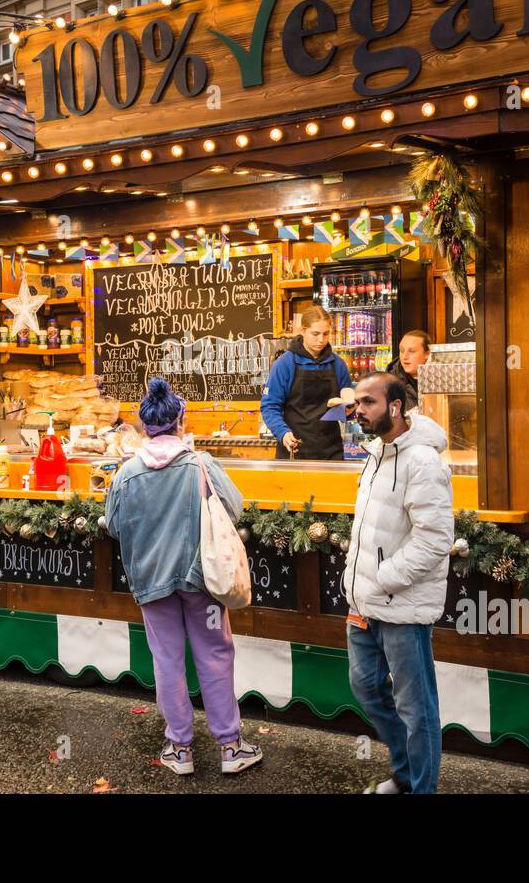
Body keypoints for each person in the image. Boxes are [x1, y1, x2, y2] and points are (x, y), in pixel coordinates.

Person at [105, 377, 263, 776]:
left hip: (151, 582)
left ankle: (180, 747)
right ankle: (230, 747)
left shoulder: (125, 473)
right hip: (200, 580)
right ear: (180, 422)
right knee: (214, 655)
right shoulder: (200, 464)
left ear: (144, 426)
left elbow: (114, 525)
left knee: (167, 660)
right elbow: (235, 508)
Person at [343, 371, 454, 794]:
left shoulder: (422, 461)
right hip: (364, 601)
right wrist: (360, 579)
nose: (358, 411)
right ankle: (406, 775)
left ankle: (419, 787)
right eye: (357, 403)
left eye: (368, 402)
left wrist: (385, 577)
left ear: (395, 407)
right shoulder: (375, 454)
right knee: (366, 686)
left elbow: (436, 537)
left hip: (401, 604)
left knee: (415, 705)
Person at [260, 305, 354, 460]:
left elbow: (347, 404)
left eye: (326, 334)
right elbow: (269, 406)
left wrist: (350, 410)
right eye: (315, 334)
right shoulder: (285, 364)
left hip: (331, 450)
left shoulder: (338, 364)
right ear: (303, 331)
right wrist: (282, 432)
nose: (321, 340)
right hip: (295, 448)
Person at [387, 329, 432, 411]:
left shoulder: (437, 378)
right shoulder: (389, 382)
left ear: (427, 354)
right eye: (402, 351)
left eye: (412, 351)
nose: (405, 356)